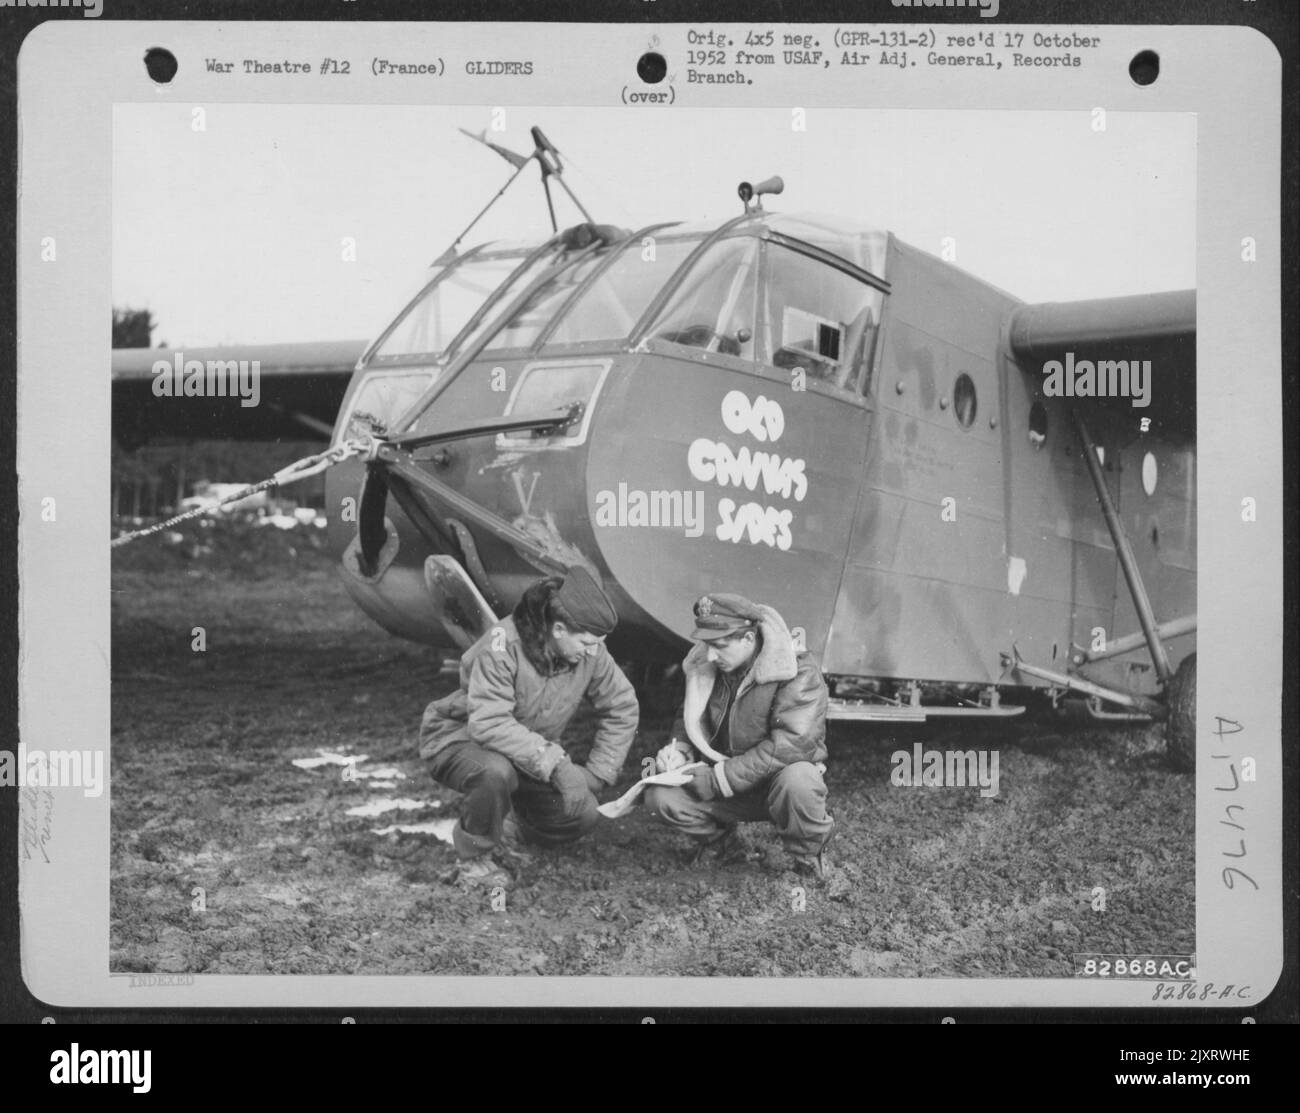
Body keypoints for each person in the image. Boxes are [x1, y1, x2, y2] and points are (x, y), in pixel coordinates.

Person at [419, 567, 638, 887]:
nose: (594, 651)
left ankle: (508, 830)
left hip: (526, 751)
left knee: (581, 813)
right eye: (588, 642)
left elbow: (622, 705)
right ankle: (474, 861)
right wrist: (559, 765)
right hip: (462, 739)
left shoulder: (591, 652)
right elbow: (488, 722)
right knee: (494, 773)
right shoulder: (503, 645)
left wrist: (597, 774)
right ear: (559, 629)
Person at [646, 592, 834, 879]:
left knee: (800, 781)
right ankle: (724, 846)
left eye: (720, 646)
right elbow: (690, 717)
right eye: (707, 644)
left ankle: (808, 859)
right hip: (727, 781)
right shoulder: (710, 665)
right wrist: (681, 748)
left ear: (748, 639)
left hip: (774, 784)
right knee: (661, 797)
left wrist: (719, 779)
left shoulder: (797, 670)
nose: (710, 655)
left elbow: (792, 745)